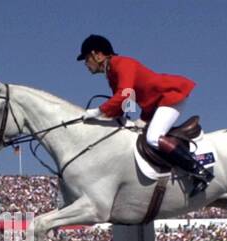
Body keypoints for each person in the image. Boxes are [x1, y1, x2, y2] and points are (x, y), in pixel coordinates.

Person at [77, 34, 211, 185]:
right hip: (153, 107)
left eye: (87, 59)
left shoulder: (122, 64)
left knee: (153, 137)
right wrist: (102, 120)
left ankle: (198, 170)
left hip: (170, 96)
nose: (86, 64)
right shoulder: (111, 73)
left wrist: (97, 111)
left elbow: (124, 94)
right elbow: (125, 103)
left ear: (98, 55)